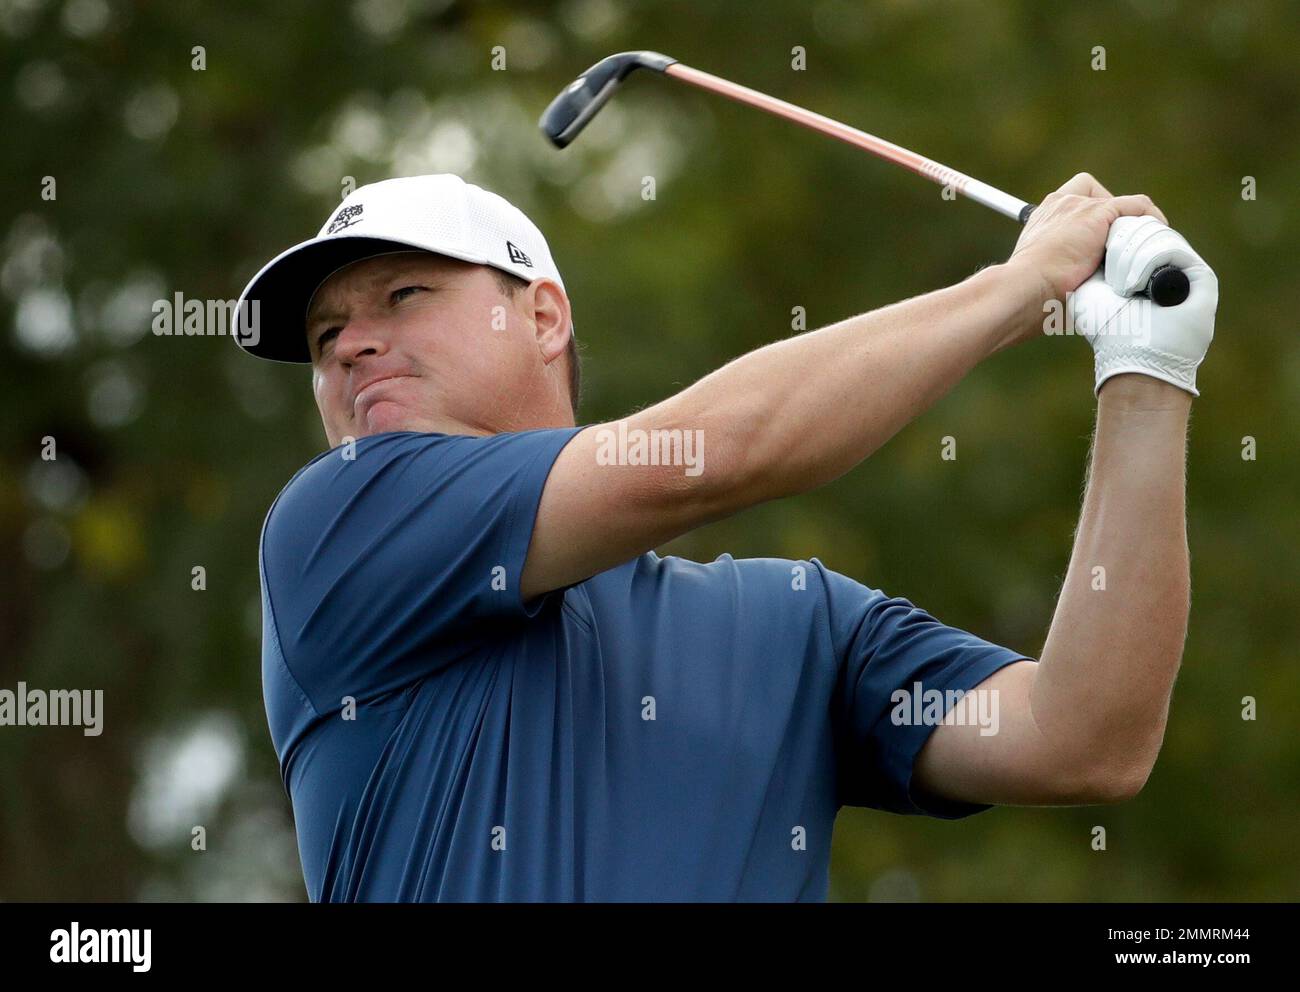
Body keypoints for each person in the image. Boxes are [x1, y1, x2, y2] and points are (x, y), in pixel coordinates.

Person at [233, 171, 1217, 901]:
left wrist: (1146, 373)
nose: (352, 344)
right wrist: (1022, 284)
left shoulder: (797, 620)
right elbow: (716, 450)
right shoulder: (338, 522)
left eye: (404, 295)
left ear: (540, 317)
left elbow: (1084, 737)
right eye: (325, 336)